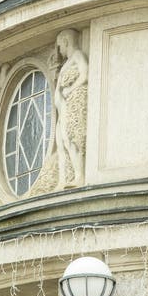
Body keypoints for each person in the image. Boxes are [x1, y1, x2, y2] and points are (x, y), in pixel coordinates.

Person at [53, 29, 88, 186]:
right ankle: (64, 180)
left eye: (60, 46)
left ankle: (79, 177)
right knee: (62, 144)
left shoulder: (77, 55)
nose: (59, 51)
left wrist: (70, 89)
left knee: (72, 141)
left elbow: (85, 74)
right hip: (62, 110)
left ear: (66, 41)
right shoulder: (66, 62)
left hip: (70, 106)